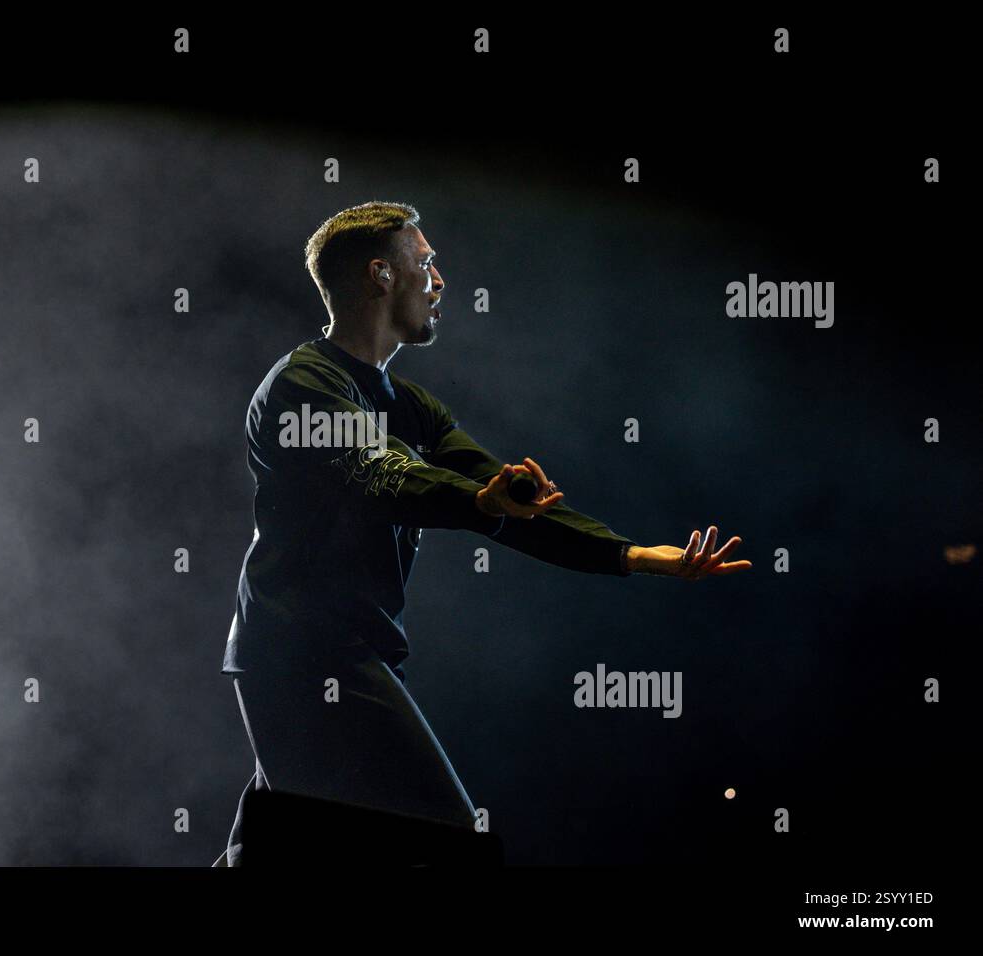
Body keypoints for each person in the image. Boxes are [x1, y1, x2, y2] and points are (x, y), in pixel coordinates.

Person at [213, 201, 750, 866]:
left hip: (337, 653)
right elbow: (384, 477)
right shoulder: (302, 386)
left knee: (273, 849)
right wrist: (481, 501)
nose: (438, 281)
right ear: (381, 274)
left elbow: (509, 501)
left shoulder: (412, 406)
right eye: (426, 264)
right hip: (306, 656)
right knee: (449, 846)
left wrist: (632, 554)